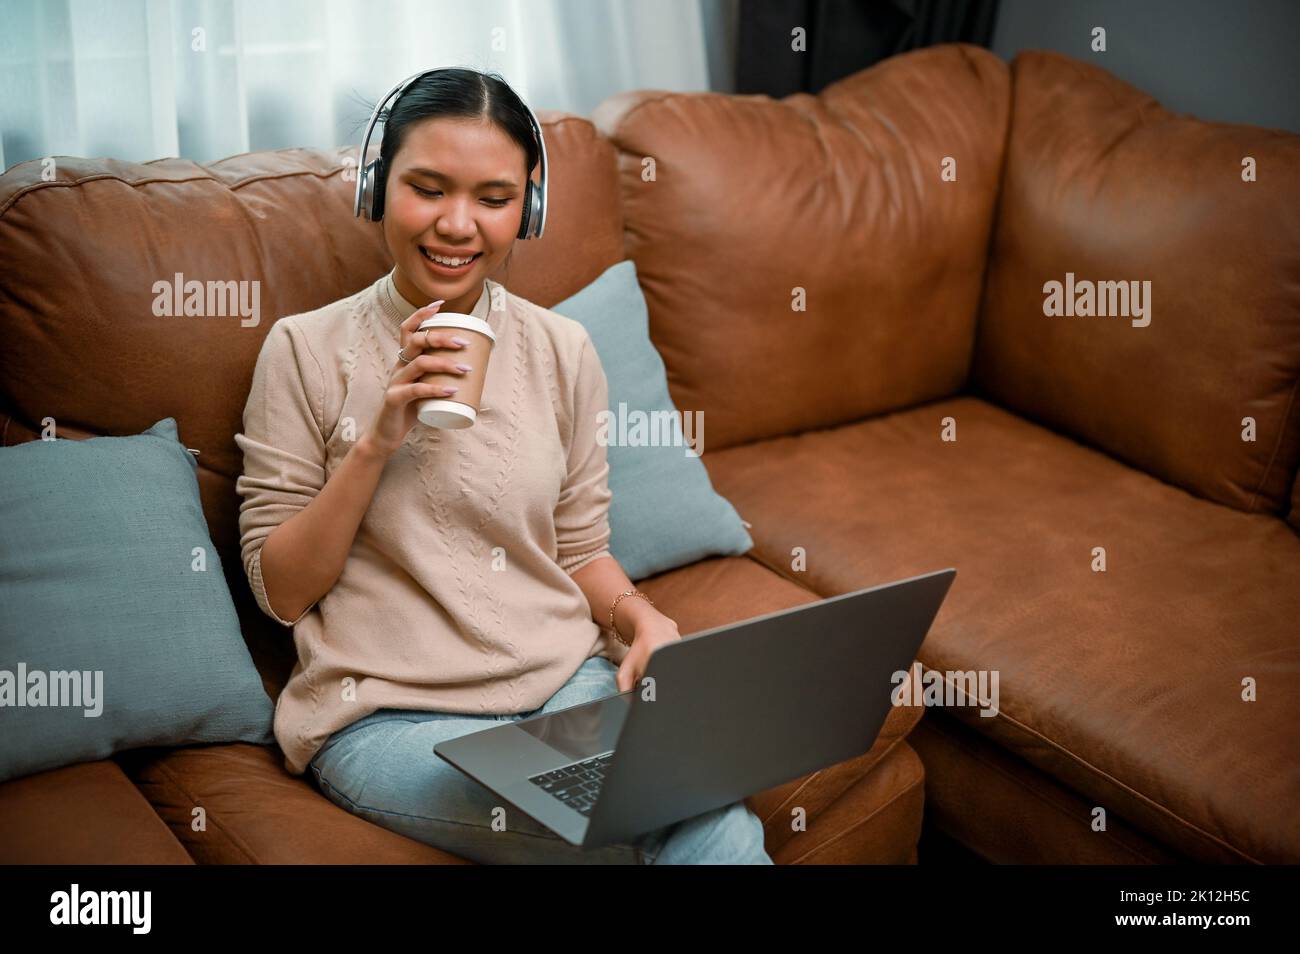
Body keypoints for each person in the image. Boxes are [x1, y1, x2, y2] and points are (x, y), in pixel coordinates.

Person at [233, 66, 773, 865]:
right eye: (428, 188)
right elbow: (281, 591)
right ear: (378, 190)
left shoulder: (563, 349)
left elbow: (580, 549)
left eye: (493, 198)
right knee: (620, 828)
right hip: (389, 720)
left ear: (530, 208)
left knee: (710, 811)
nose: (459, 225)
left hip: (565, 686)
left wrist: (643, 621)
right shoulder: (303, 351)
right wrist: (377, 438)